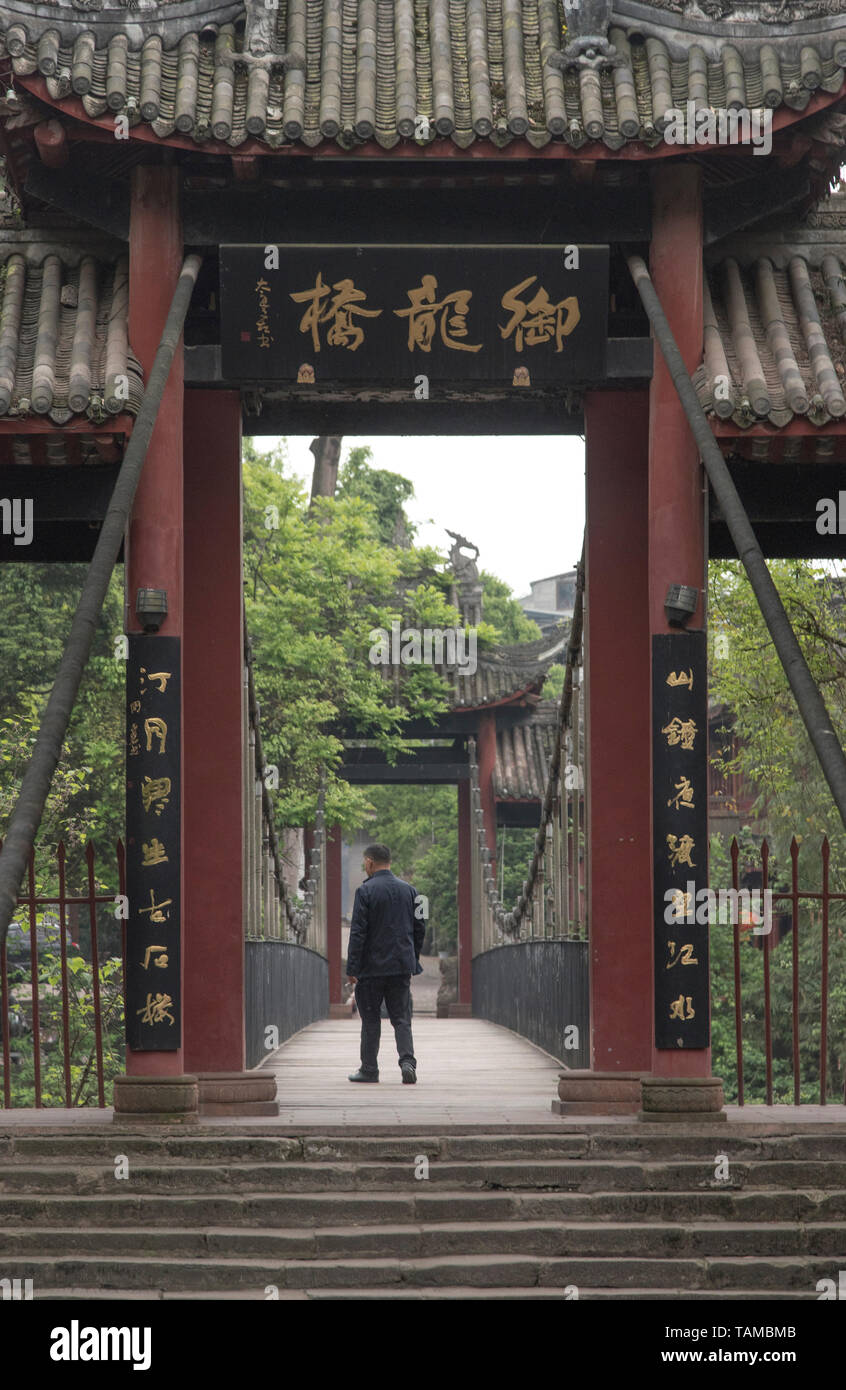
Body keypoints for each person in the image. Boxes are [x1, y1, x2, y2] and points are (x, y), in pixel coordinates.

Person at [346, 842, 424, 1085]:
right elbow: (420, 928)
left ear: (369, 862)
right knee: (401, 1017)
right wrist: (412, 958)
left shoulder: (365, 892)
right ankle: (407, 1062)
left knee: (370, 1019)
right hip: (401, 966)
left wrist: (352, 968)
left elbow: (358, 932)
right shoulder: (412, 892)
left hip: (371, 969)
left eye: (364, 863)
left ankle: (369, 1069)